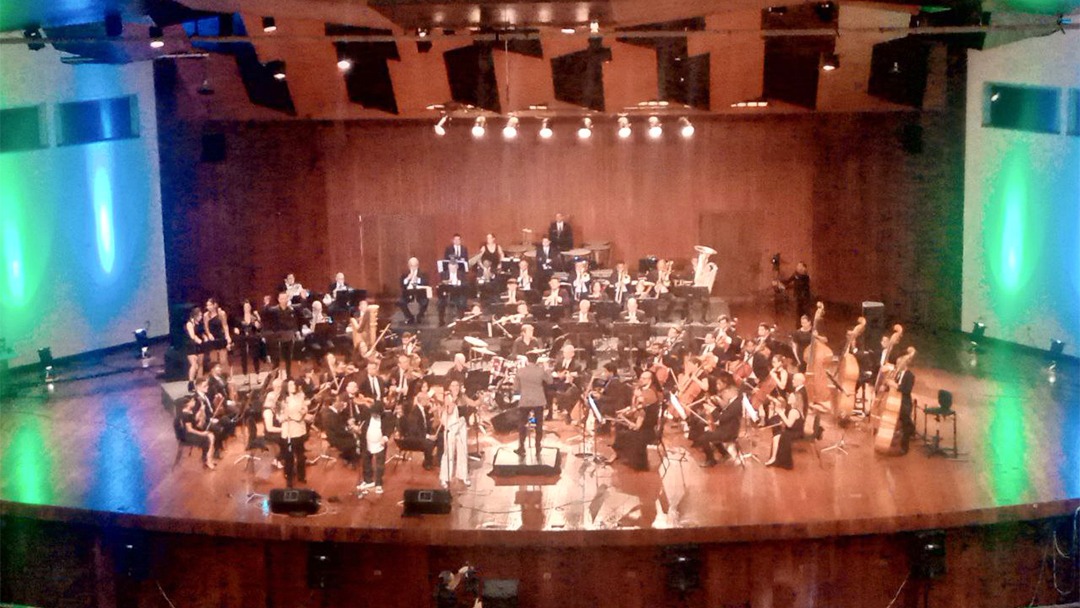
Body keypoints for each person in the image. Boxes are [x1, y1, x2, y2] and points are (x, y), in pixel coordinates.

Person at [611, 369, 661, 471]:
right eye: (641, 377)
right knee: (619, 426)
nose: (641, 380)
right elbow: (635, 407)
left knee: (628, 432)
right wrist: (625, 410)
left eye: (644, 378)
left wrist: (639, 397)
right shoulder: (642, 390)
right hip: (641, 420)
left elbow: (643, 407)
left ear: (650, 380)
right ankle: (623, 454)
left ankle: (635, 462)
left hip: (647, 426)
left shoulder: (651, 392)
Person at [354, 396, 395, 494]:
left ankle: (379, 484)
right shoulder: (367, 414)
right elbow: (360, 423)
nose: (374, 415)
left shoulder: (387, 417)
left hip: (379, 444)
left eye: (376, 413)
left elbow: (390, 428)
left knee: (379, 464)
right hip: (367, 442)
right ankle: (368, 480)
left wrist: (385, 438)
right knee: (366, 461)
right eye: (373, 413)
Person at [514, 356, 551, 458]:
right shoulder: (540, 371)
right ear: (536, 361)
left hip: (525, 400)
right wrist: (547, 368)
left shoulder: (520, 371)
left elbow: (516, 387)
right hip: (538, 400)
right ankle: (538, 447)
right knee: (539, 424)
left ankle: (521, 447)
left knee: (522, 424)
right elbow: (550, 381)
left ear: (527, 360)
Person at [439, 380, 473, 488]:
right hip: (451, 427)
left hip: (461, 425)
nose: (456, 387)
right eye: (453, 385)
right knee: (449, 453)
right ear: (449, 387)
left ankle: (463, 475)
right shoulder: (447, 398)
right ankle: (445, 478)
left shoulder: (462, 397)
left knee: (463, 451)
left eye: (457, 385)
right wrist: (453, 398)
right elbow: (449, 411)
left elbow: (472, 403)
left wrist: (481, 399)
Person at [396, 382, 437, 470]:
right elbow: (415, 430)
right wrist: (429, 436)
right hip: (413, 438)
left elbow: (425, 424)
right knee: (429, 442)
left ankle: (434, 459)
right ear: (421, 400)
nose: (429, 401)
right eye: (427, 400)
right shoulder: (415, 412)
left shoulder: (423, 409)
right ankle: (427, 464)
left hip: (420, 435)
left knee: (439, 438)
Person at [176, 386, 216, 469]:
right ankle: (207, 459)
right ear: (187, 405)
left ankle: (208, 458)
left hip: (192, 431)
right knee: (207, 438)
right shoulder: (185, 415)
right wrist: (202, 433)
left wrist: (201, 411)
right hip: (187, 436)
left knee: (211, 436)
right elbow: (189, 429)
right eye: (192, 401)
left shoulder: (188, 412)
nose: (193, 401)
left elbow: (194, 420)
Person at [279, 379, 311, 486]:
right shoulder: (282, 400)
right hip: (289, 431)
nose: (293, 386)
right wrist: (285, 416)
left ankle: (301, 476)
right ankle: (289, 479)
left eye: (294, 384)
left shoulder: (300, 396)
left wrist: (304, 411)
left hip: (299, 430)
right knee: (289, 457)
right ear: (286, 387)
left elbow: (305, 408)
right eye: (290, 384)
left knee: (301, 456)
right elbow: (279, 417)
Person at [263, 291, 299, 376]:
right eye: (281, 298)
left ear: (287, 299)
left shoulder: (291, 310)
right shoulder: (274, 310)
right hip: (278, 336)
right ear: (279, 300)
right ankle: (276, 375)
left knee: (288, 357)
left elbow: (294, 322)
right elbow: (265, 313)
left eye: (285, 298)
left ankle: (288, 375)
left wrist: (295, 331)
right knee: (276, 358)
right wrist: (266, 304)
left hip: (288, 335)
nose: (283, 300)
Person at [398, 257, 430, 325]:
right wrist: (407, 279)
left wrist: (417, 280)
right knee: (401, 302)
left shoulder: (423, 273)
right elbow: (401, 285)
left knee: (425, 302)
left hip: (420, 293)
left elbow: (426, 282)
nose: (413, 267)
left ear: (418, 266)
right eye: (411, 266)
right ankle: (409, 317)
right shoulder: (405, 274)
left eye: (415, 266)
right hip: (408, 293)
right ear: (408, 266)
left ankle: (419, 316)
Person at [182, 307, 205, 391]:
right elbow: (192, 335)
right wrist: (197, 339)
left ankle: (200, 383)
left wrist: (204, 337)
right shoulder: (189, 323)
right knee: (194, 365)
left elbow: (201, 332)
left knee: (200, 364)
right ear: (195, 315)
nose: (201, 317)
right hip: (191, 345)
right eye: (199, 315)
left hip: (200, 345)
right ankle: (191, 383)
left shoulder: (199, 323)